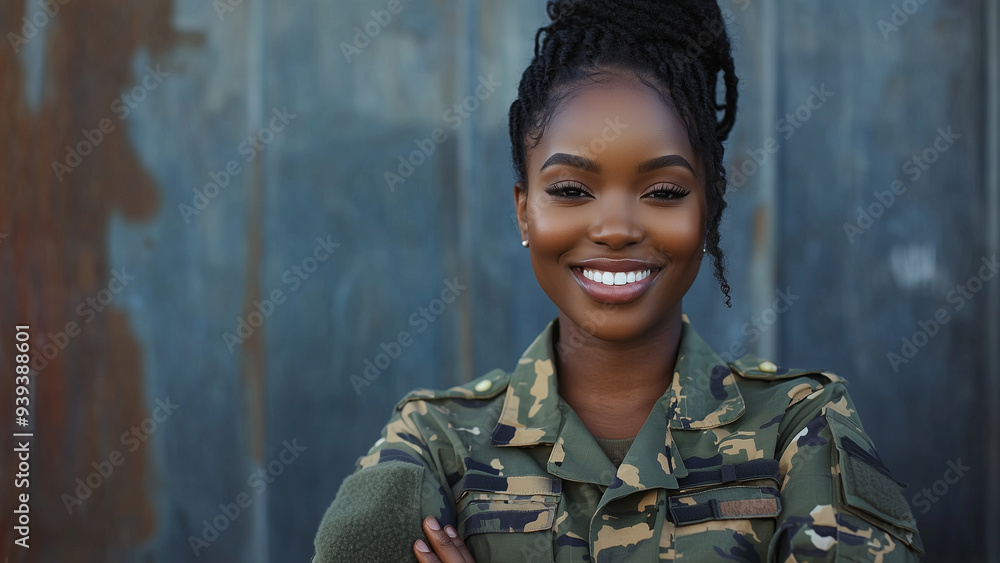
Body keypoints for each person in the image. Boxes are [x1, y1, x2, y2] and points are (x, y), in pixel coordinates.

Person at [312, 0, 925, 560]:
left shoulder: (801, 427)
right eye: (571, 190)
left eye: (663, 192)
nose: (614, 229)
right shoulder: (433, 442)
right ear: (524, 212)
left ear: (707, 209)